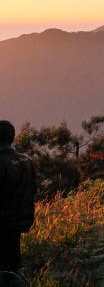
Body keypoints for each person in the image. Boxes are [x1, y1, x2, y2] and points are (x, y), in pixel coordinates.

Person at [0, 121, 36, 285]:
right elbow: (33, 191)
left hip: (3, 223)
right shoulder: (27, 161)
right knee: (12, 266)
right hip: (20, 222)